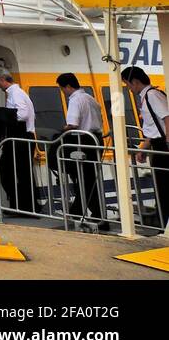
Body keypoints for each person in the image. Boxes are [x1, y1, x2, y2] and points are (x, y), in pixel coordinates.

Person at [54, 73, 106, 228]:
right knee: (89, 179)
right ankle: (87, 213)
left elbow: (73, 124)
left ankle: (89, 214)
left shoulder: (75, 100)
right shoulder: (91, 98)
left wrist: (62, 130)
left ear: (68, 86)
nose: (63, 92)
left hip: (82, 142)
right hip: (96, 140)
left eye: (63, 89)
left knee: (84, 180)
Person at [121, 66, 169, 229]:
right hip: (158, 144)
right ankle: (162, 222)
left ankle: (164, 224)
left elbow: (167, 118)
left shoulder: (152, 95)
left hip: (164, 146)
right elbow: (154, 127)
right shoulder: (147, 97)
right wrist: (143, 148)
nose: (128, 88)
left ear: (135, 82)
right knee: (161, 185)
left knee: (164, 185)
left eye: (128, 84)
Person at [0, 68, 36, 214]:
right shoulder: (18, 92)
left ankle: (22, 206)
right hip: (22, 138)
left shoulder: (15, 93)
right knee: (20, 173)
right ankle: (21, 205)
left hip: (21, 138)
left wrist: (2, 114)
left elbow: (22, 114)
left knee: (11, 172)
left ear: (1, 80)